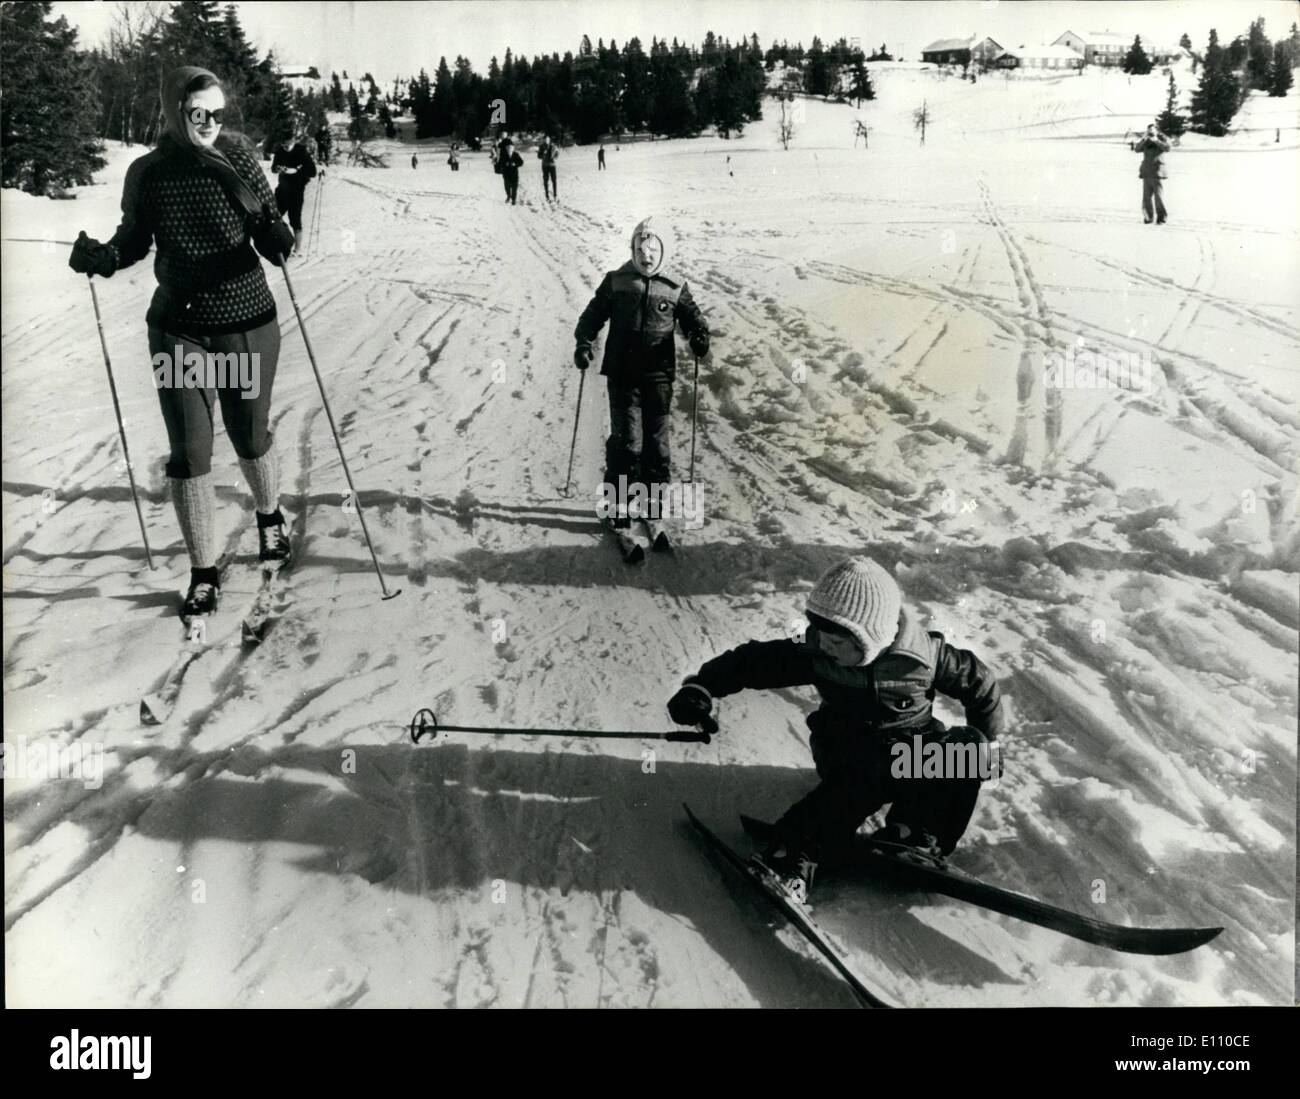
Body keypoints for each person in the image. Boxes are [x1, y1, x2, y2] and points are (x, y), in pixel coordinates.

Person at [68, 66, 296, 622]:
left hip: (244, 322)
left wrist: (275, 234)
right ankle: (202, 571)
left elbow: (273, 234)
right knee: (190, 452)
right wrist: (105, 257)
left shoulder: (239, 160)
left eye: (219, 114)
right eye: (199, 114)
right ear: (176, 112)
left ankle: (268, 516)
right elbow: (133, 240)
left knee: (247, 435)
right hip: (180, 329)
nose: (210, 124)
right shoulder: (148, 173)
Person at [668, 556, 1007, 894]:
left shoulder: (926, 657)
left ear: (871, 636)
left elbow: (981, 685)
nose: (824, 644)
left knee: (969, 749)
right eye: (820, 633)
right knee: (849, 789)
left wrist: (986, 746)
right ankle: (793, 855)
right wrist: (702, 686)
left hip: (909, 755)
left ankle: (914, 836)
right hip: (849, 753)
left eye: (837, 640)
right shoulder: (816, 651)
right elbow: (755, 661)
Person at [572, 217, 710, 527]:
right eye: (639, 248)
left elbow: (694, 320)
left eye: (652, 249)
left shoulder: (675, 287)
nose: (645, 255)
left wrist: (699, 336)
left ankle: (653, 503)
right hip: (622, 374)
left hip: (658, 377)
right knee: (626, 442)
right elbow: (592, 316)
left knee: (657, 444)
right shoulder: (617, 281)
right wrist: (584, 342)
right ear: (632, 249)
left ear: (663, 250)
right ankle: (618, 504)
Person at [270, 132, 317, 254]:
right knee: (274, 217)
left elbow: (313, 171)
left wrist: (296, 170)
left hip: (296, 189)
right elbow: (273, 168)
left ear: (293, 141)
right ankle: (279, 245)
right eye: (283, 145)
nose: (285, 148)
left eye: (288, 146)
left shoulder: (301, 151)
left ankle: (298, 249)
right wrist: (278, 168)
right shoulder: (280, 151)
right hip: (282, 189)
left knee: (295, 219)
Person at [1130, 123, 1170, 225]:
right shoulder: (1146, 141)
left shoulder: (1162, 139)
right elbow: (1137, 149)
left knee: (1159, 198)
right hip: (1146, 172)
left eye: (1152, 130)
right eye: (1149, 130)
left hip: (1158, 173)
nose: (1150, 132)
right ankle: (1148, 217)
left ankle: (1161, 218)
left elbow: (1167, 148)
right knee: (1146, 198)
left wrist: (1156, 140)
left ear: (1157, 130)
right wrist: (1143, 139)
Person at [497, 136, 523, 204]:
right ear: (506, 148)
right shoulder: (504, 155)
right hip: (506, 173)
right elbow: (500, 163)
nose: (509, 149)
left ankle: (514, 199)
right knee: (507, 186)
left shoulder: (516, 154)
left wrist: (515, 164)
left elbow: (521, 162)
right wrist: (505, 164)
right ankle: (508, 196)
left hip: (514, 173)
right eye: (508, 147)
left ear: (513, 148)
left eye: (511, 147)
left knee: (514, 187)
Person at [537, 135, 559, 200]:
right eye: (545, 139)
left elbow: (557, 155)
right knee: (545, 180)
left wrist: (555, 156)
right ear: (544, 140)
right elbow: (538, 156)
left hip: (552, 165)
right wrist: (543, 154)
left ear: (549, 140)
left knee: (554, 180)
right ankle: (547, 195)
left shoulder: (553, 146)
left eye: (548, 139)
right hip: (545, 165)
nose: (547, 141)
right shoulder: (541, 147)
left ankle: (555, 194)